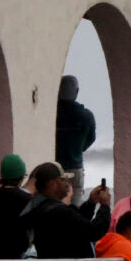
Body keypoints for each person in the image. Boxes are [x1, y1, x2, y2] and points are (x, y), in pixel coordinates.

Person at [54, 76, 96, 204]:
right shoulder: (86, 115)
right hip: (75, 166)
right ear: (76, 92)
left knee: (55, 207)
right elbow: (91, 138)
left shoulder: (52, 113)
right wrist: (78, 148)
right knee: (75, 209)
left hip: (55, 168)